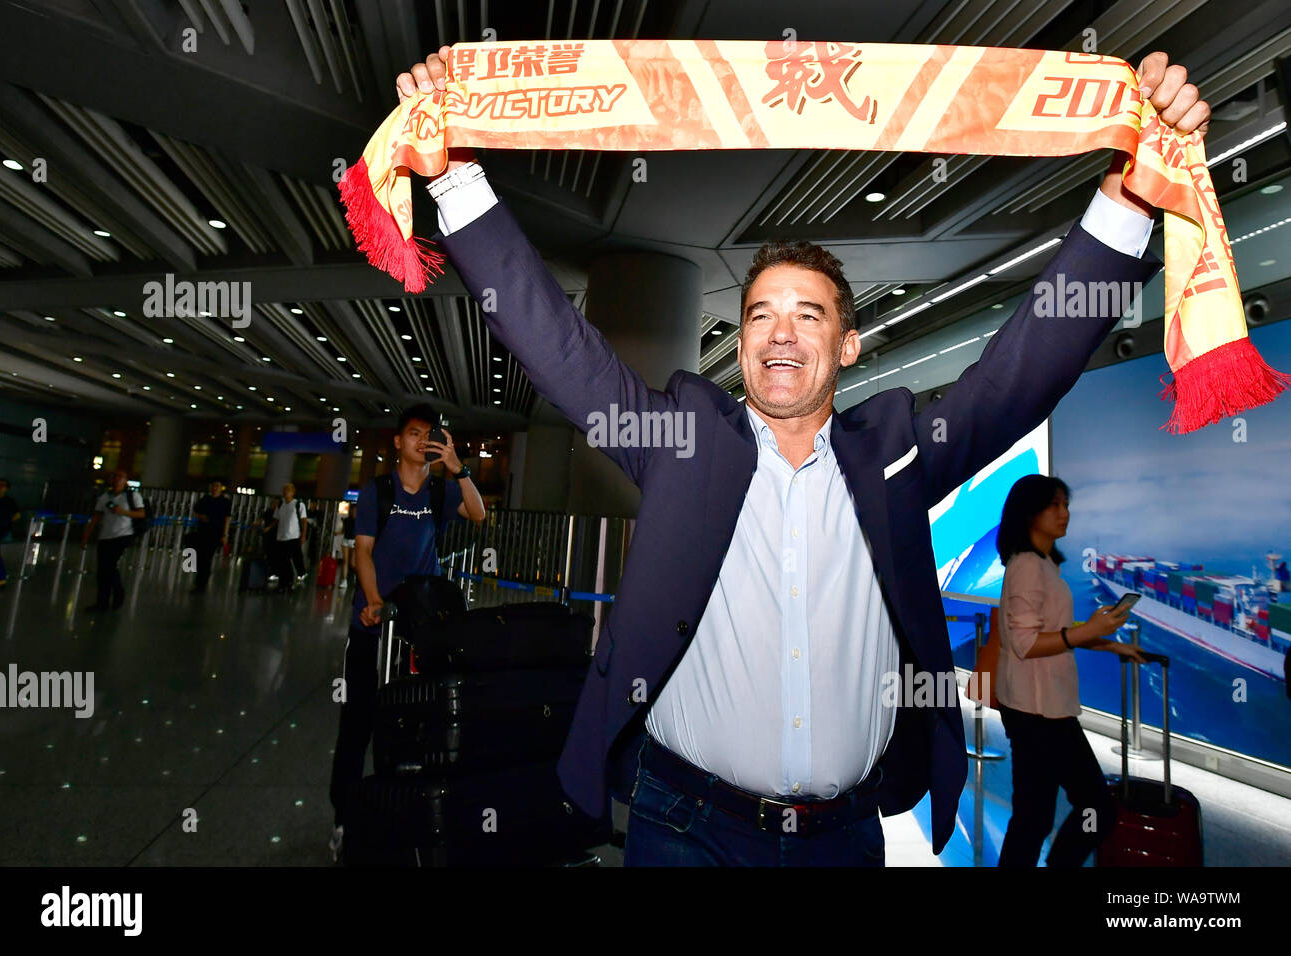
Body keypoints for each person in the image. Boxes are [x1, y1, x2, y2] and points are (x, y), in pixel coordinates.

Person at [398, 48, 1207, 866]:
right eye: (760, 315)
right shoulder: (681, 444)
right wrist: (455, 180)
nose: (781, 332)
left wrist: (1132, 197)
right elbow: (554, 341)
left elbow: (1017, 379)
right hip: (681, 827)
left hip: (842, 839)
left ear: (848, 345)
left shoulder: (895, 456)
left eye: (809, 315)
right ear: (741, 341)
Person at [328, 404, 486, 860]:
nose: (421, 441)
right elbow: (363, 552)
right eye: (413, 434)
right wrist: (373, 601)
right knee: (358, 725)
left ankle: (405, 814)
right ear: (398, 442)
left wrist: (459, 469)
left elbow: (477, 514)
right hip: (373, 627)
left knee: (415, 726)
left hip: (420, 633)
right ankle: (345, 818)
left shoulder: (439, 492)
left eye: (428, 435)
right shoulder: (378, 490)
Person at [994, 475, 1145, 867]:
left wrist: (1107, 641)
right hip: (1037, 711)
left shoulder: (1043, 564)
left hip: (1044, 707)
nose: (1065, 513)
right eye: (1054, 505)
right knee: (1084, 808)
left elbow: (1052, 630)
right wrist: (1091, 632)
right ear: (1030, 512)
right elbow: (1027, 643)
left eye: (1065, 504)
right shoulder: (1027, 566)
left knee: (1036, 816)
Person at [80, 470, 145, 612]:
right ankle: (103, 601)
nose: (116, 479)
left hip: (123, 535)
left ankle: (115, 595)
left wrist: (123, 512)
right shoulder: (104, 497)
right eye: (114, 477)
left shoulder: (133, 496)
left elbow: (141, 513)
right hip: (105, 536)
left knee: (109, 567)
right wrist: (86, 535)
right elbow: (96, 517)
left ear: (126, 481)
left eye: (120, 477)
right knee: (104, 570)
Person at [189, 479, 232, 593]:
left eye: (217, 486)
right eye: (213, 486)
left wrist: (225, 534)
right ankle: (200, 580)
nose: (215, 488)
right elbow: (196, 511)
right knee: (199, 557)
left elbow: (227, 518)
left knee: (207, 558)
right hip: (202, 531)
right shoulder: (205, 499)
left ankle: (201, 584)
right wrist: (200, 517)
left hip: (215, 533)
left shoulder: (225, 502)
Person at [264, 483, 307, 590]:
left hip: (293, 536)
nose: (286, 492)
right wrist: (269, 527)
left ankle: (290, 578)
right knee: (283, 559)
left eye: (288, 490)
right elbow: (277, 519)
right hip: (281, 536)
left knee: (292, 557)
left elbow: (304, 521)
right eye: (285, 490)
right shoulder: (281, 504)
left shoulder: (298, 504)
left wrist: (303, 535)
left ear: (293, 492)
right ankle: (285, 579)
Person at [0, 477, 19, 587]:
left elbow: (17, 515)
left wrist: (7, 523)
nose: (0, 487)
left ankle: (1, 578)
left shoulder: (8, 501)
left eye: (3, 485)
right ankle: (0, 578)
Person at [338, 502, 357, 589]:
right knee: (345, 561)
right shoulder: (346, 520)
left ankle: (356, 577)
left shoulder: (359, 521)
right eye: (353, 510)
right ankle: (344, 580)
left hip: (354, 541)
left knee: (353, 563)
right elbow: (342, 530)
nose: (354, 512)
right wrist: (337, 533)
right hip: (346, 540)